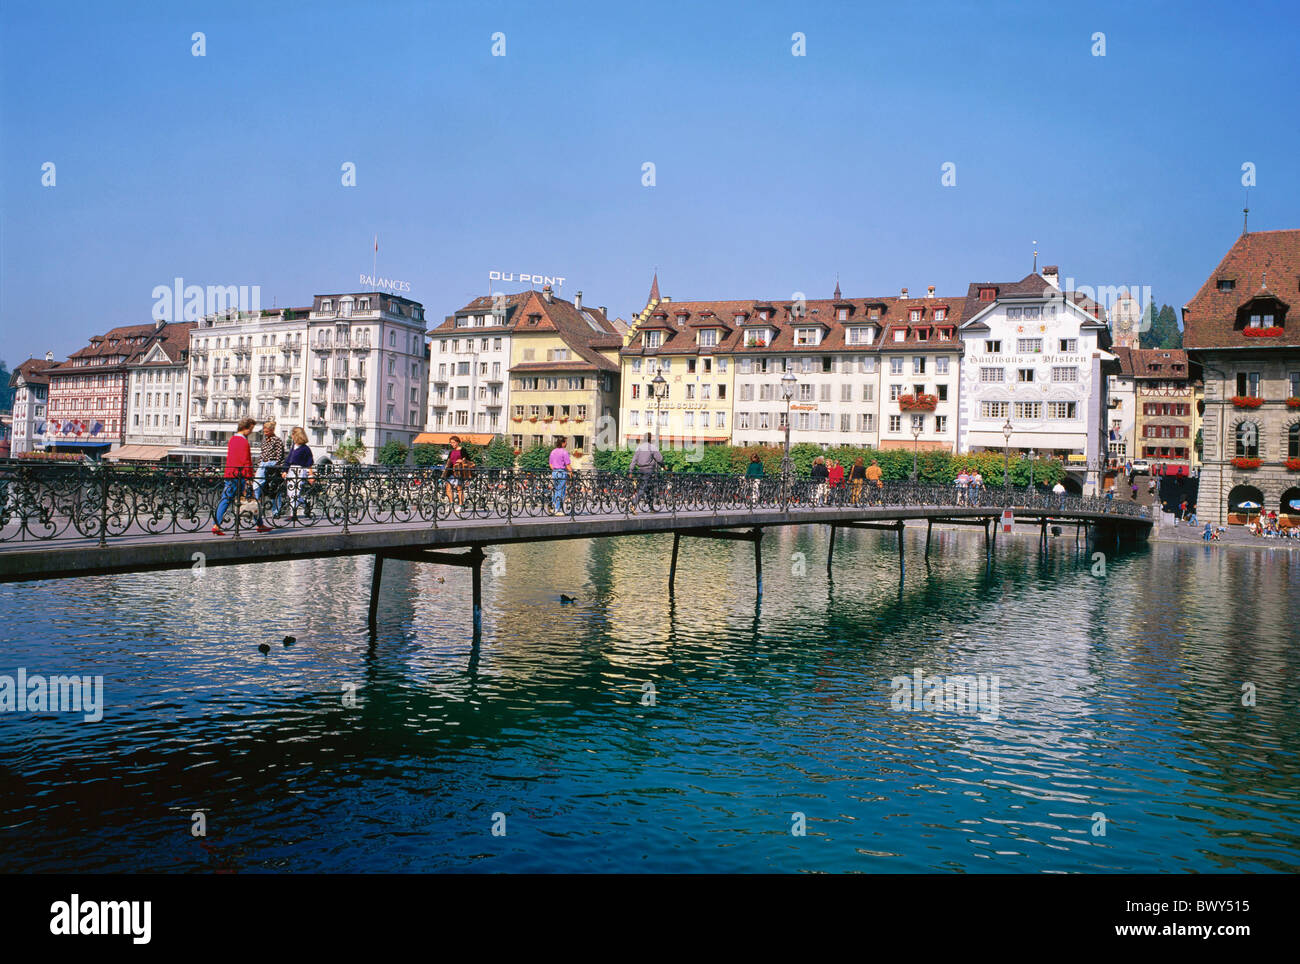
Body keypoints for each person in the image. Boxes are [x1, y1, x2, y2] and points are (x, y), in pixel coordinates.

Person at [213, 417, 268, 534]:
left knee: (226, 499)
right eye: (251, 429)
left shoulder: (232, 439)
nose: (251, 431)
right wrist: (249, 477)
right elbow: (245, 460)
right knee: (251, 499)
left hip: (230, 473)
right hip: (240, 476)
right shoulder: (244, 442)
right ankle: (260, 524)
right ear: (245, 428)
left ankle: (217, 525)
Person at [252, 419, 285, 512]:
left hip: (272, 464)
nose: (265, 433)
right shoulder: (264, 441)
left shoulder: (277, 440)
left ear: (272, 430)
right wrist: (257, 467)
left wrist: (277, 466)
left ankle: (275, 510)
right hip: (263, 463)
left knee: (274, 489)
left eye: (266, 431)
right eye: (264, 431)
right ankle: (256, 504)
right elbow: (262, 454)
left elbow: (280, 455)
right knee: (257, 484)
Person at [628, 433, 664, 513]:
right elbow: (660, 459)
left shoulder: (639, 448)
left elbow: (633, 460)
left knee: (648, 489)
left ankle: (651, 508)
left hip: (640, 470)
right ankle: (633, 504)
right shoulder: (652, 447)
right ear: (650, 439)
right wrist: (664, 466)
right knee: (643, 488)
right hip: (649, 471)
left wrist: (631, 471)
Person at [286, 426, 315, 516]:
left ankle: (293, 514)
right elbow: (288, 460)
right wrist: (284, 470)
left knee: (295, 492)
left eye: (293, 434)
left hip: (299, 470)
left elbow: (309, 463)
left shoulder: (305, 449)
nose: (291, 436)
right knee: (290, 493)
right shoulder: (293, 447)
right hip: (291, 471)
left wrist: (310, 475)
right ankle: (305, 504)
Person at [442, 436, 467, 515]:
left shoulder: (462, 450)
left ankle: (460, 505)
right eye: (451, 443)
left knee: (459, 488)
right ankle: (451, 503)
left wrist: (461, 460)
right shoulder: (451, 451)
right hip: (451, 471)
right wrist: (445, 469)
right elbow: (449, 460)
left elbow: (466, 459)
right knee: (448, 488)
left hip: (459, 471)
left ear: (457, 442)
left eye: (453, 442)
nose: (452, 444)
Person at [548, 437, 572, 516]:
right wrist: (571, 473)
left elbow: (550, 465)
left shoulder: (553, 452)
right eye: (566, 442)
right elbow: (568, 465)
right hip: (561, 473)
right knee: (560, 491)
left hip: (554, 472)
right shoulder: (564, 452)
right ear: (563, 443)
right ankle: (557, 509)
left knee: (556, 490)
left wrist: (555, 468)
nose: (566, 444)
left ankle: (552, 506)